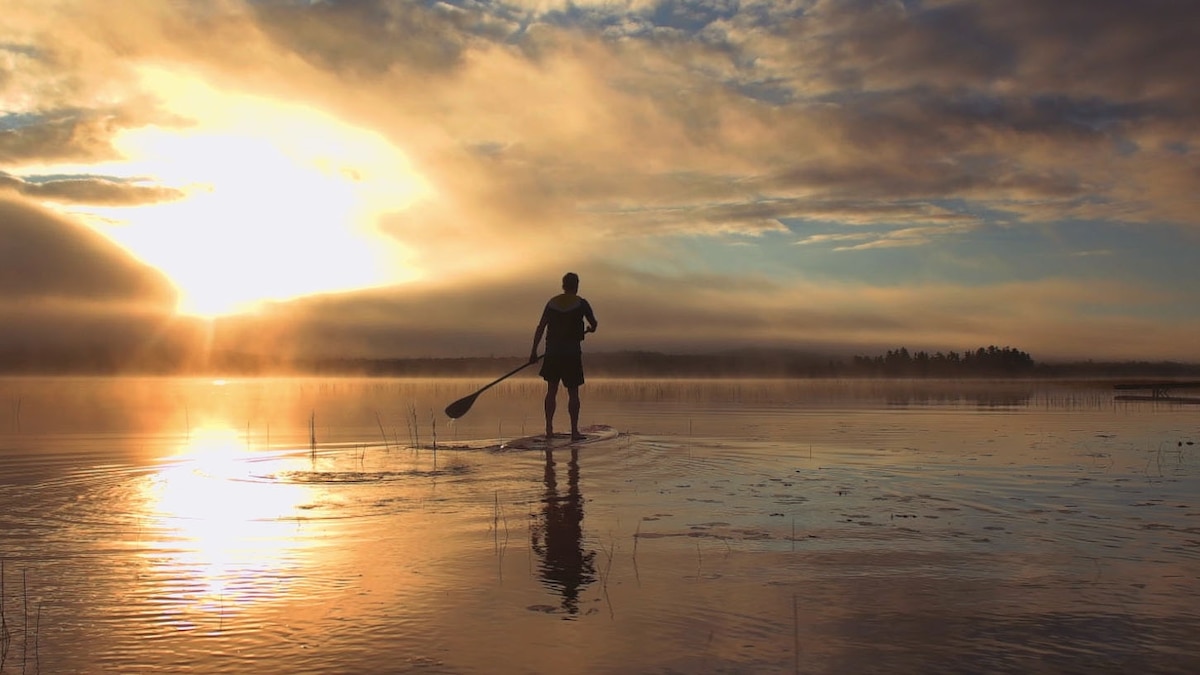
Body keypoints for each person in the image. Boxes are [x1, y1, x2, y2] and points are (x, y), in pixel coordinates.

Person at [530, 272, 598, 440]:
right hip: (571, 354)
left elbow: (541, 327)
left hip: (552, 353)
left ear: (563, 285)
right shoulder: (581, 303)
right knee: (573, 393)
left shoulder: (552, 303)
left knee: (551, 390)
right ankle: (574, 431)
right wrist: (591, 329)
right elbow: (594, 323)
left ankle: (549, 430)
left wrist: (533, 351)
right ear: (576, 285)